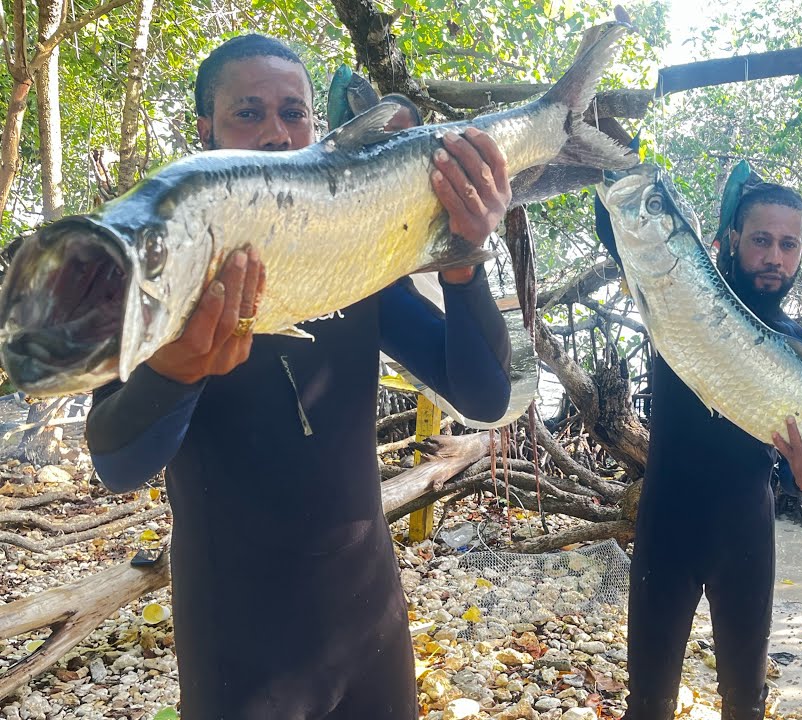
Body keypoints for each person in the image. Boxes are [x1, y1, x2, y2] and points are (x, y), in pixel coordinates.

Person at [85, 34, 513, 718]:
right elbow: (117, 462)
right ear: (206, 130)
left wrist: (463, 262)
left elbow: (484, 394)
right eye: (247, 113)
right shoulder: (167, 268)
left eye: (294, 113)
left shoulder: (355, 260)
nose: (277, 134)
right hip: (241, 647)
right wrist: (177, 371)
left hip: (370, 622)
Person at [595, 175, 802, 720]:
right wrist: (610, 151)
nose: (775, 256)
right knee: (648, 702)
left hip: (745, 536)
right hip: (666, 530)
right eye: (761, 240)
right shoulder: (683, 296)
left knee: (745, 704)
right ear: (728, 240)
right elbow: (615, 220)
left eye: (788, 244)